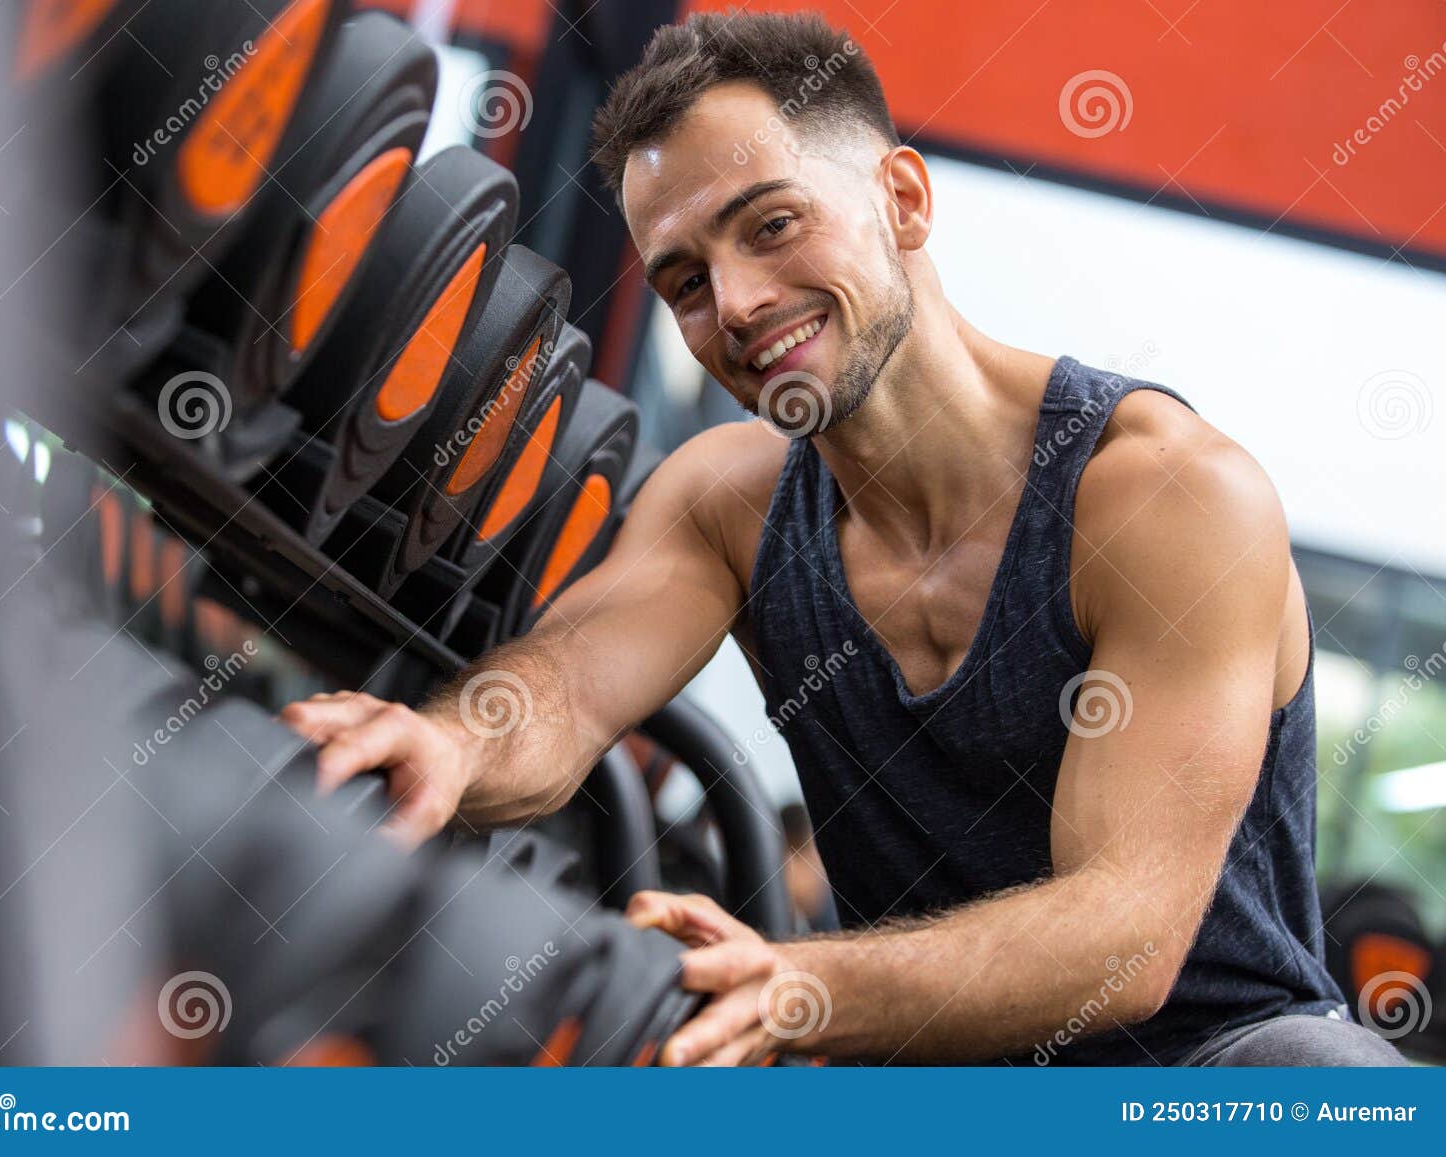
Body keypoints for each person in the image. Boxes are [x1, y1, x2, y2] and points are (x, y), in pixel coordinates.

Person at [282, 12, 1405, 1067]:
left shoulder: (1163, 495)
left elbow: (1124, 936)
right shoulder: (725, 499)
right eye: (683, 281)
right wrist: (451, 746)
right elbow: (567, 688)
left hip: (1218, 1073)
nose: (735, 301)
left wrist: (794, 984)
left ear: (902, 201)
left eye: (771, 225)